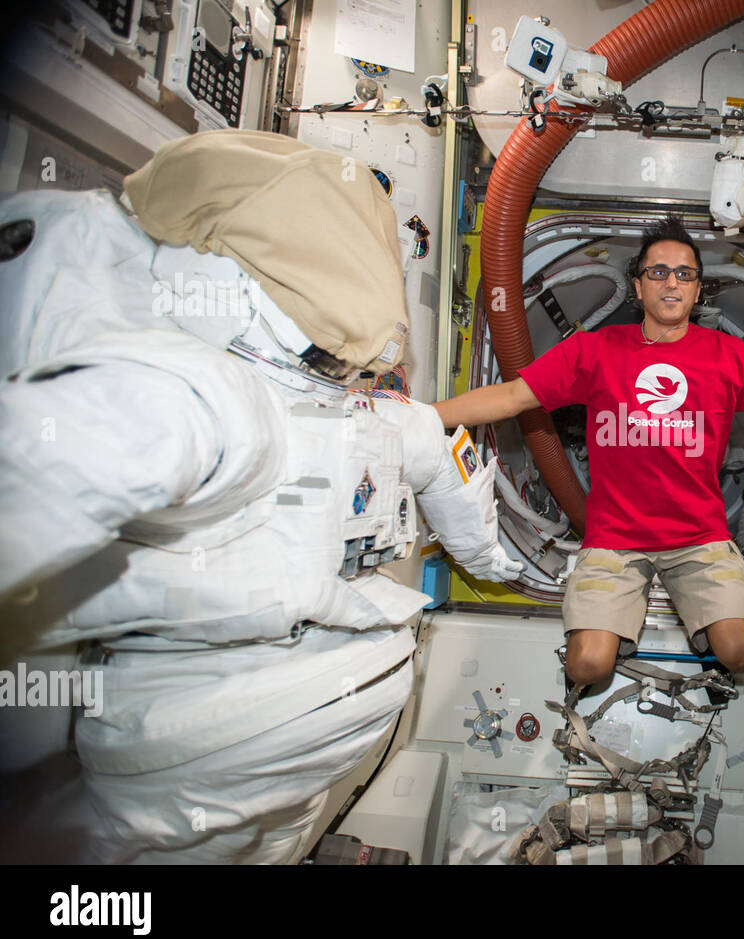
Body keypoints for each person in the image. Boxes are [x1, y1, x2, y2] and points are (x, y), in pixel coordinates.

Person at [0, 130, 520, 862]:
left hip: (252, 742)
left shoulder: (264, 406)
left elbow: (54, 468)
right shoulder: (231, 403)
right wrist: (499, 565)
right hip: (276, 733)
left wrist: (498, 564)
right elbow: (49, 472)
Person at [435, 216, 744, 687]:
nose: (671, 282)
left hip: (700, 536)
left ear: (698, 290)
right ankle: (623, 625)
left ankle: (699, 628)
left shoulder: (729, 356)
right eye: (658, 272)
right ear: (637, 286)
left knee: (740, 653)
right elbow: (512, 397)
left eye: (684, 273)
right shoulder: (597, 350)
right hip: (614, 538)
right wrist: (427, 417)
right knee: (587, 666)